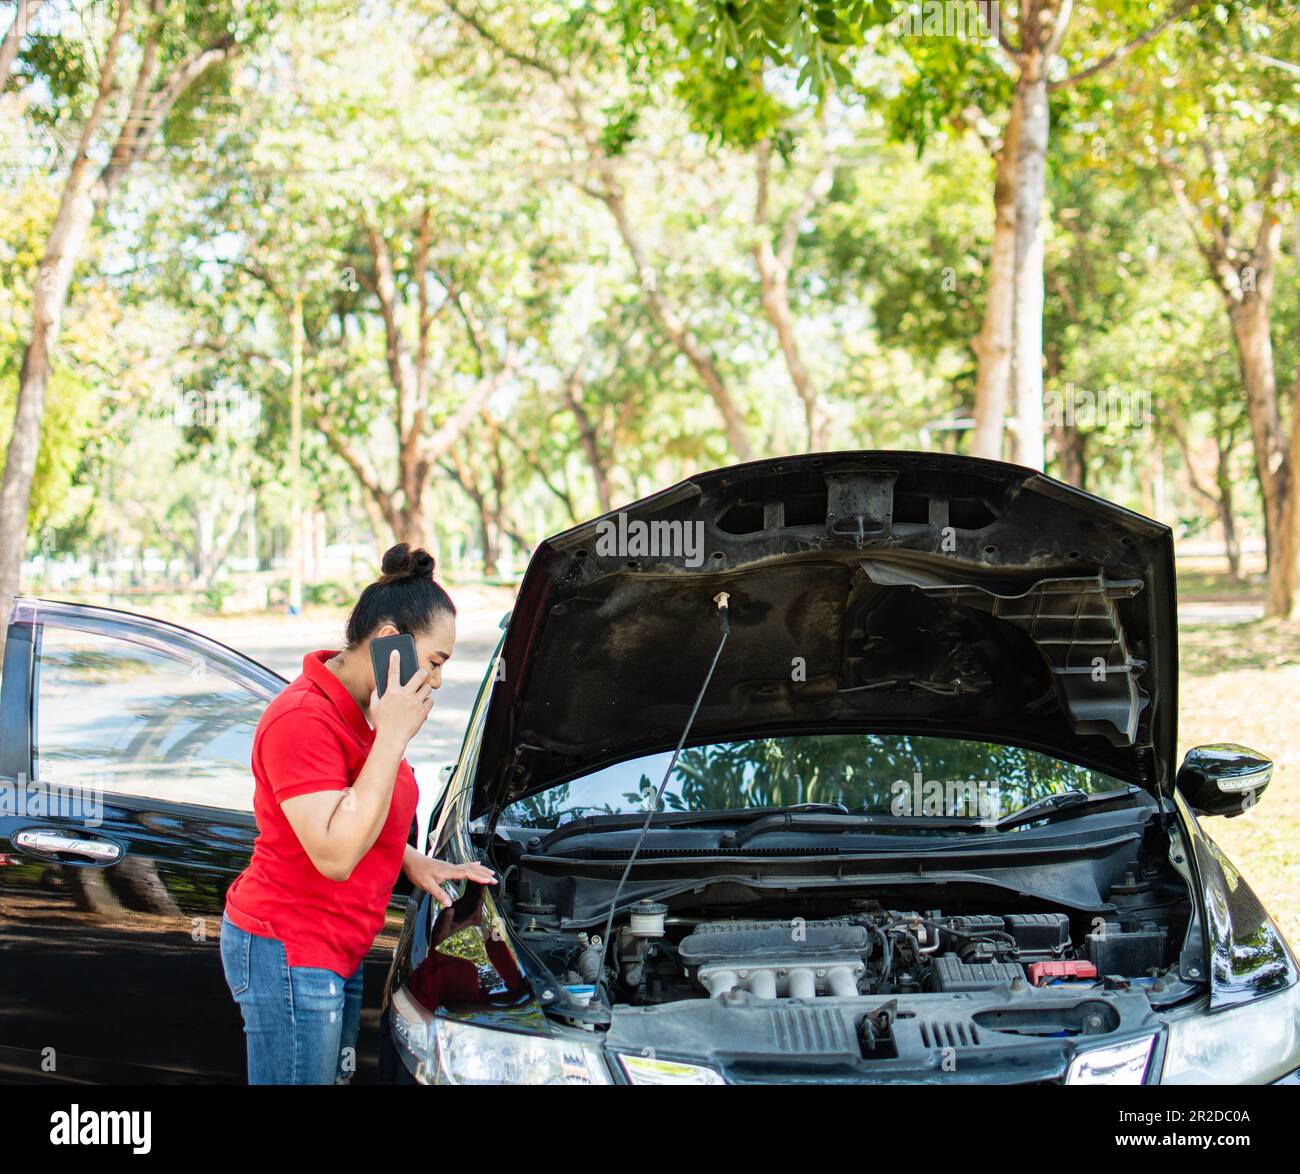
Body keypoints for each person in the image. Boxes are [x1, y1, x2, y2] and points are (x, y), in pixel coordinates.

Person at [219, 543, 495, 1083]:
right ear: (391, 641)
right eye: (435, 662)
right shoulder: (301, 719)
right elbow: (335, 853)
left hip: (335, 947)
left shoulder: (365, 710)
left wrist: (410, 859)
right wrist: (392, 734)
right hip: (289, 947)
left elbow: (362, 809)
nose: (436, 680)